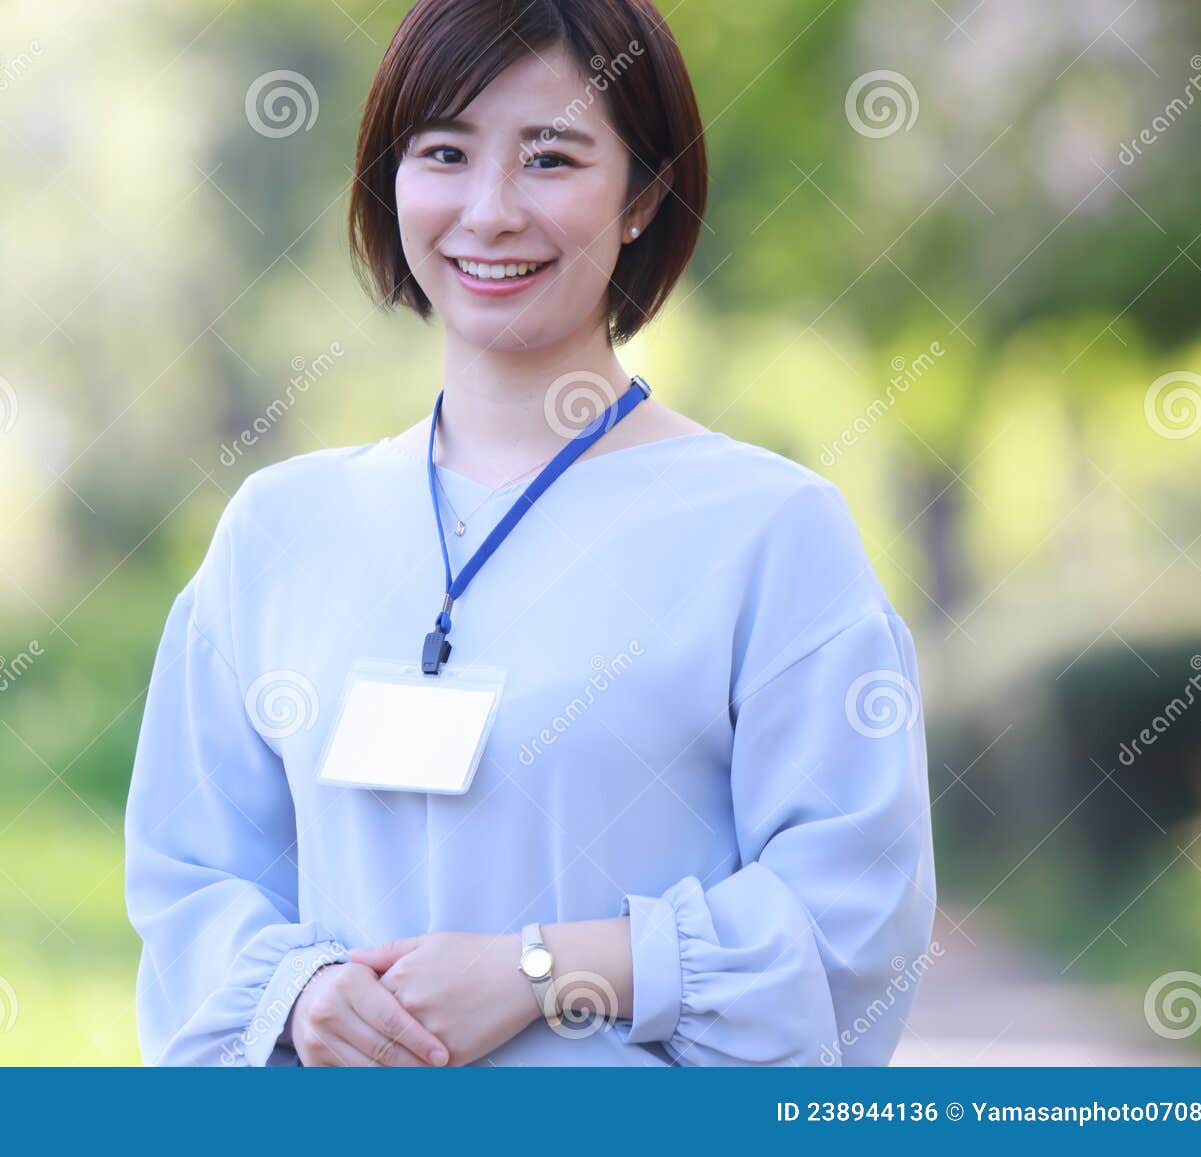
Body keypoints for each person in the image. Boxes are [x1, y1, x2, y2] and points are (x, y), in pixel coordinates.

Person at [124, 0, 935, 1067]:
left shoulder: (768, 532)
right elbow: (194, 882)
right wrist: (300, 992)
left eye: (550, 158)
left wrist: (539, 969)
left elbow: (852, 916)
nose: (490, 211)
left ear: (642, 194)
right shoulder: (279, 529)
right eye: (444, 152)